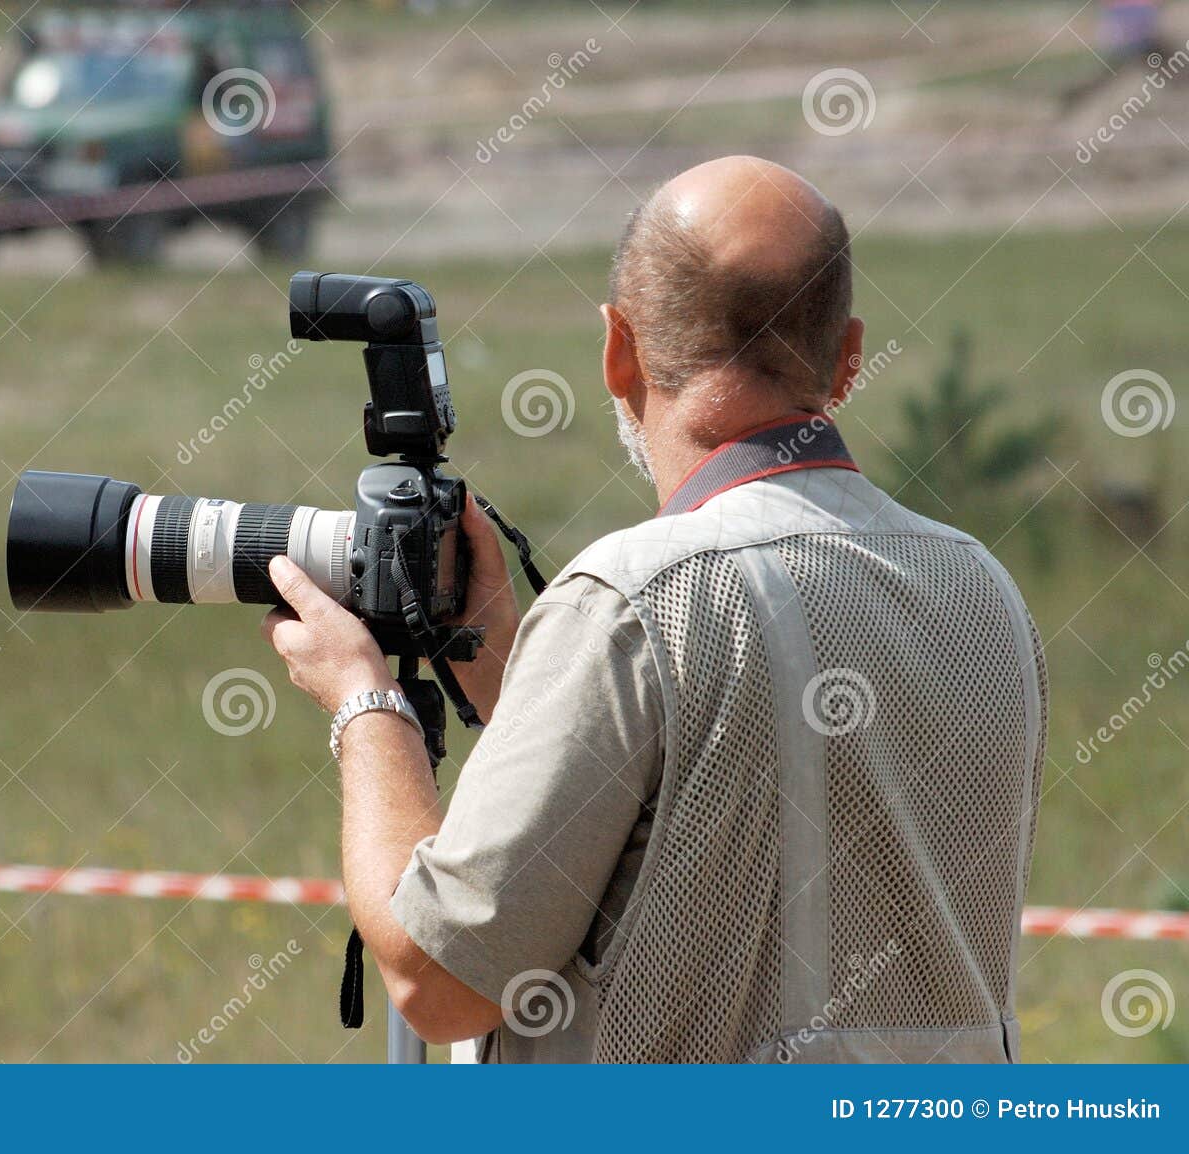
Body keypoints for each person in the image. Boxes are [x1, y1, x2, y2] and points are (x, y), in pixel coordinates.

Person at [261, 155, 1048, 1063]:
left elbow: (437, 982)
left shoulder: (636, 602)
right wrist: (526, 674)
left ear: (618, 350)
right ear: (847, 358)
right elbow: (721, 817)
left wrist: (367, 708)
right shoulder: (984, 588)